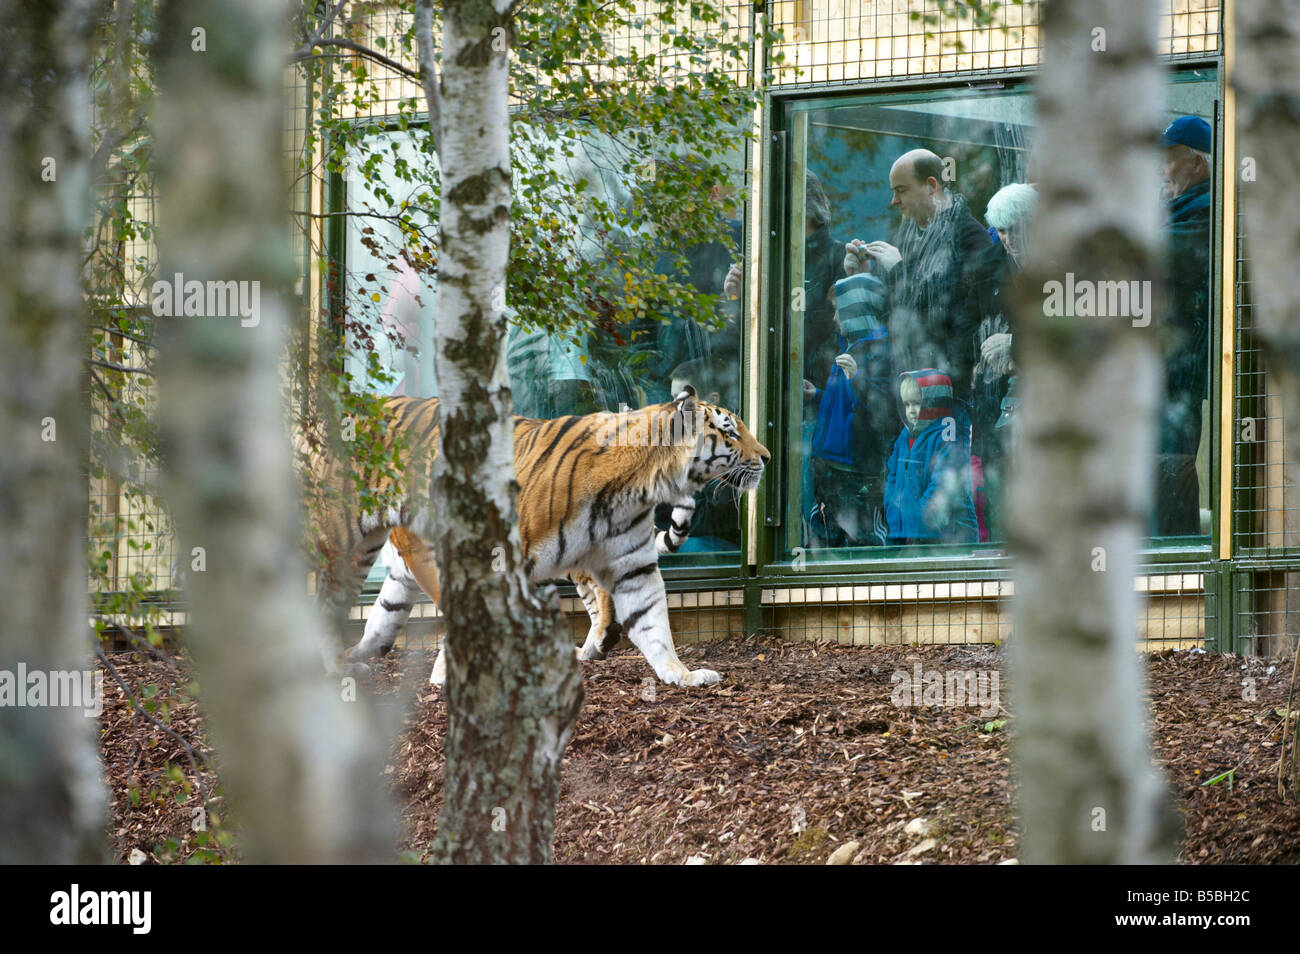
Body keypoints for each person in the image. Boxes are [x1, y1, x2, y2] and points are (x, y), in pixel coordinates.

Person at [843, 148, 991, 400]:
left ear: (931, 186)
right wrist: (863, 276)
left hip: (948, 389)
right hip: (902, 386)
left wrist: (900, 270)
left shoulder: (970, 237)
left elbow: (955, 317)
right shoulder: (904, 236)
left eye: (901, 190)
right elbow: (887, 316)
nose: (893, 201)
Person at [968, 182, 1037, 541]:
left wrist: (1017, 345)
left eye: (1018, 228)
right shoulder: (985, 266)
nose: (1010, 239)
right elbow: (964, 324)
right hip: (996, 407)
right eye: (1003, 230)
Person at [805, 273, 894, 547]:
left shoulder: (880, 352)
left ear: (855, 312)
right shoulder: (850, 349)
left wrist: (857, 378)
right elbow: (847, 404)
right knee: (827, 541)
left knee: (865, 543)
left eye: (839, 312)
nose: (834, 320)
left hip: (857, 473)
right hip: (829, 468)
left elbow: (884, 412)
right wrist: (817, 395)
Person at [1156, 115, 1212, 537]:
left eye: (1169, 160)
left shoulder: (1206, 213)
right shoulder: (1176, 212)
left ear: (1197, 162)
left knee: (1169, 470)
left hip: (1180, 374)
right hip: (1165, 372)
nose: (1162, 169)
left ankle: (1175, 565)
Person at [884, 369, 978, 545]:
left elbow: (944, 485)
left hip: (941, 536)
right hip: (906, 531)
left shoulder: (947, 437)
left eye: (917, 404)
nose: (911, 411)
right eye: (906, 404)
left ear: (932, 403)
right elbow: (892, 476)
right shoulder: (904, 438)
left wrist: (918, 514)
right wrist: (893, 507)